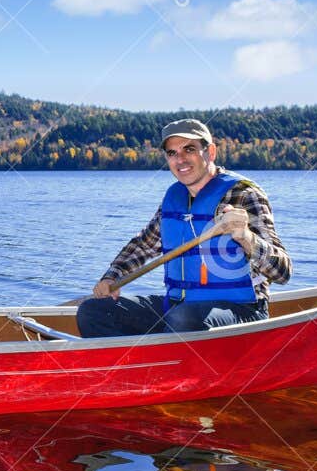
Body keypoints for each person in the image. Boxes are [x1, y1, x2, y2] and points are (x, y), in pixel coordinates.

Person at [76, 118, 290, 338]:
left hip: (241, 310)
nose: (180, 159)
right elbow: (143, 246)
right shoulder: (174, 198)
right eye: (172, 153)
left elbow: (282, 272)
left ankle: (168, 364)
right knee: (93, 311)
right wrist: (113, 276)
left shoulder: (244, 195)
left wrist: (246, 237)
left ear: (211, 152)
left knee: (183, 318)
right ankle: (141, 368)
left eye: (189, 149)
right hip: (179, 308)